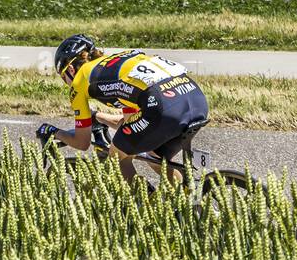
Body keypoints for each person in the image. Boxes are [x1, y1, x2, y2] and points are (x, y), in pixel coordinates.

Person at [36, 34, 209, 182]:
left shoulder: (80, 81)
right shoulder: (117, 64)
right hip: (196, 99)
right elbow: (130, 122)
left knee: (116, 159)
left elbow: (82, 143)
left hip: (162, 107)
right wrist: (98, 117)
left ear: (71, 69)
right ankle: (189, 202)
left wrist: (53, 131)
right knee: (154, 157)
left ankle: (145, 206)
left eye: (62, 76)